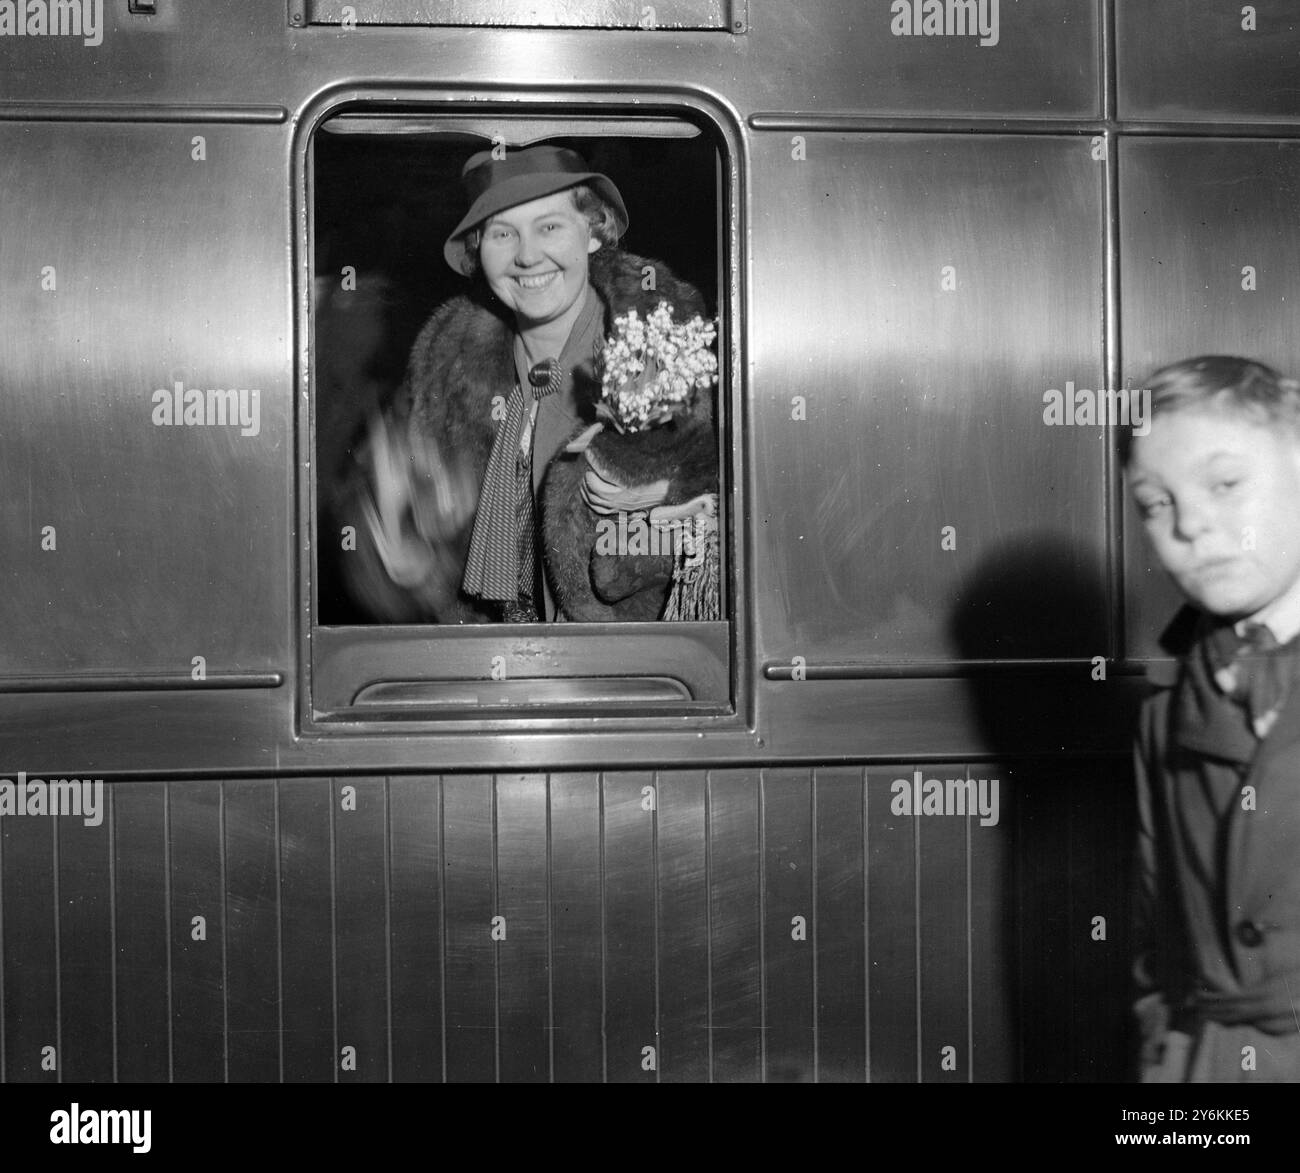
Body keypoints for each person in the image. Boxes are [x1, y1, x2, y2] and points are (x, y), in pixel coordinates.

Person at [343, 144, 716, 624]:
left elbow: (736, 523)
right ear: (479, 248)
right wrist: (411, 561)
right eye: (502, 233)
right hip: (496, 670)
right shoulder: (447, 369)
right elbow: (408, 545)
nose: (526, 255)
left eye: (550, 226)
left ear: (593, 232)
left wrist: (653, 506)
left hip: (640, 673)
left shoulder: (669, 351)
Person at [1125, 355, 1300, 1081]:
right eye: (1153, 503)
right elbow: (1159, 948)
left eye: (1225, 483)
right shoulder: (1165, 717)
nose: (1190, 522)